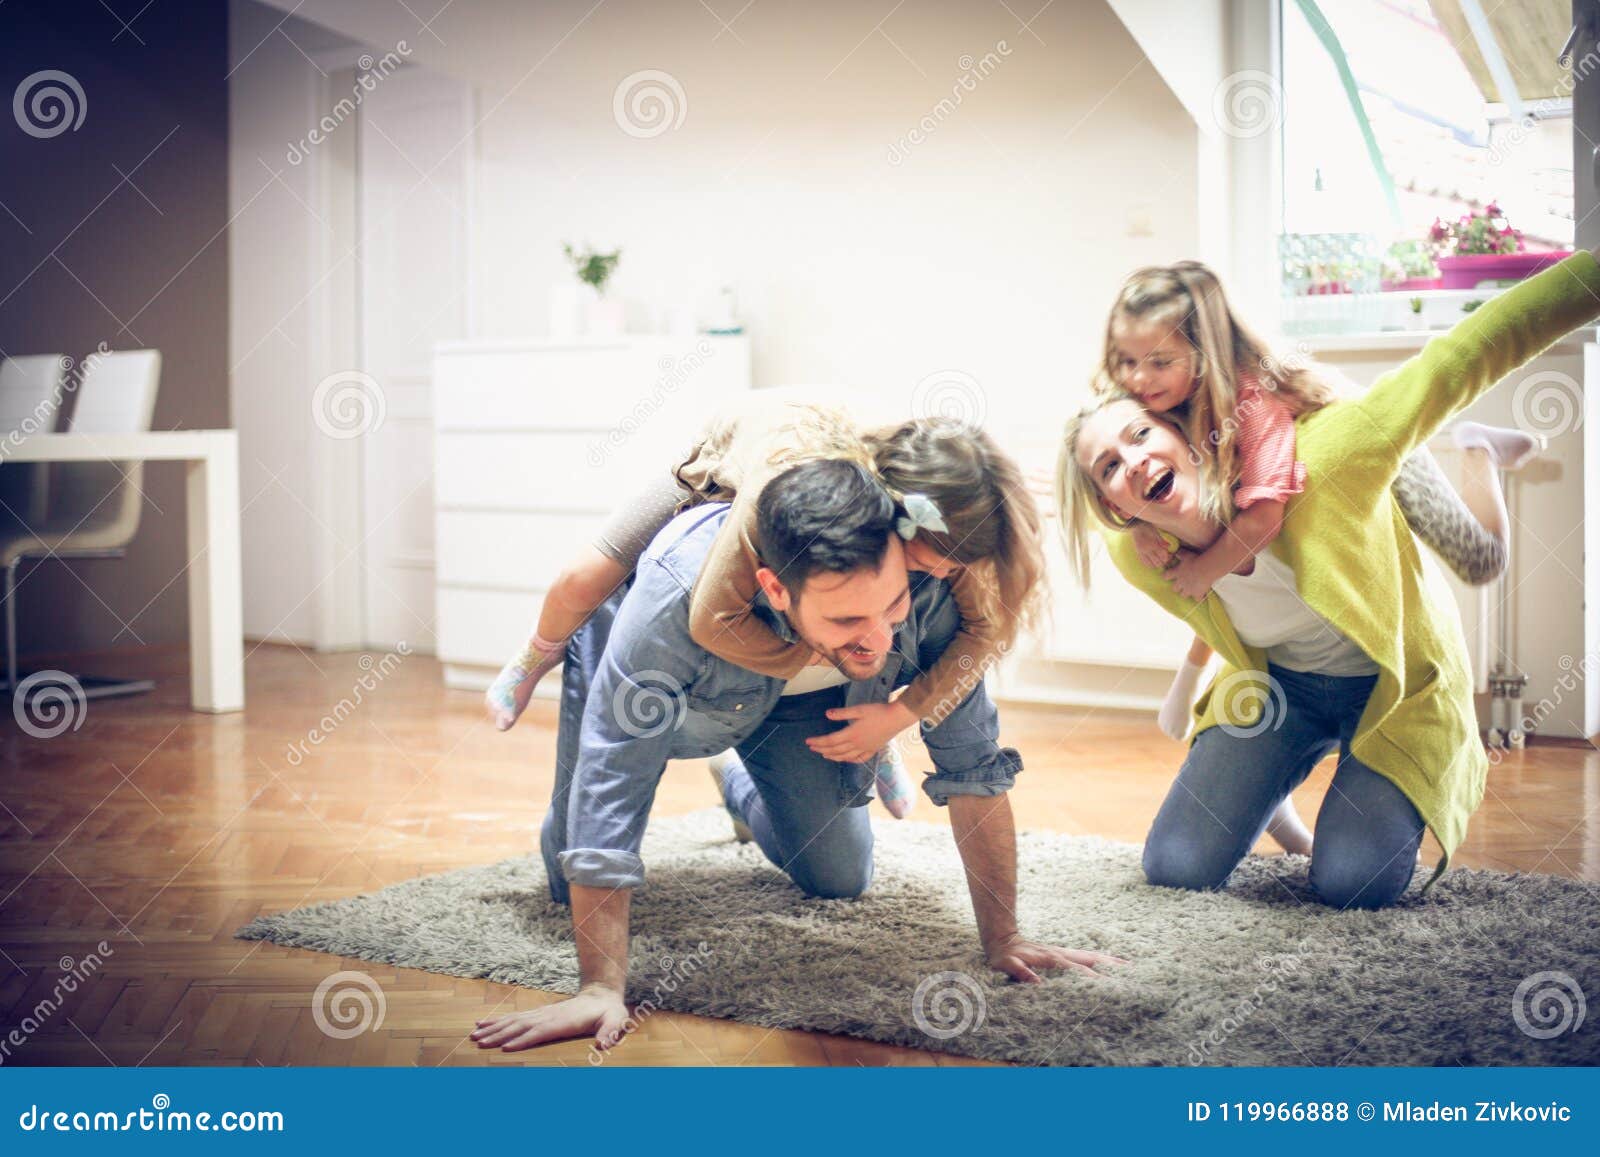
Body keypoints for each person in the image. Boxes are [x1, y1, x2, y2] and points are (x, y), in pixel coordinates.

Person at [473, 457, 1121, 1053]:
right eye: (847, 621)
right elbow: (613, 775)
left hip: (804, 703)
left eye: (892, 606)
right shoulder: (672, 595)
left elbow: (974, 764)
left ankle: (740, 785)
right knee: (566, 872)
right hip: (679, 697)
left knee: (841, 877)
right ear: (776, 591)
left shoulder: (930, 581)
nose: (879, 641)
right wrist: (599, 986)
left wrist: (1004, 935)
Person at [1056, 247, 1600, 909]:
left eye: (1142, 433)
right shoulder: (1146, 539)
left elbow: (1462, 355)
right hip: (1286, 686)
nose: (1141, 383)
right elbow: (1216, 592)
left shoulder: (1316, 439)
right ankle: (1269, 781)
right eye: (1111, 468)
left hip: (1367, 467)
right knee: (1175, 865)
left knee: (1481, 560)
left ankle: (1481, 450)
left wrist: (1586, 278)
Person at [485, 393, 1046, 818]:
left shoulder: (945, 535)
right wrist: (820, 657)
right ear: (894, 520)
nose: (946, 575)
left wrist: (897, 716)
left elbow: (985, 632)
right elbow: (712, 619)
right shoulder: (773, 487)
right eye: (935, 561)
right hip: (729, 453)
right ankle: (534, 656)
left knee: (877, 620)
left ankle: (877, 744)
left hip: (831, 463)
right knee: (583, 579)